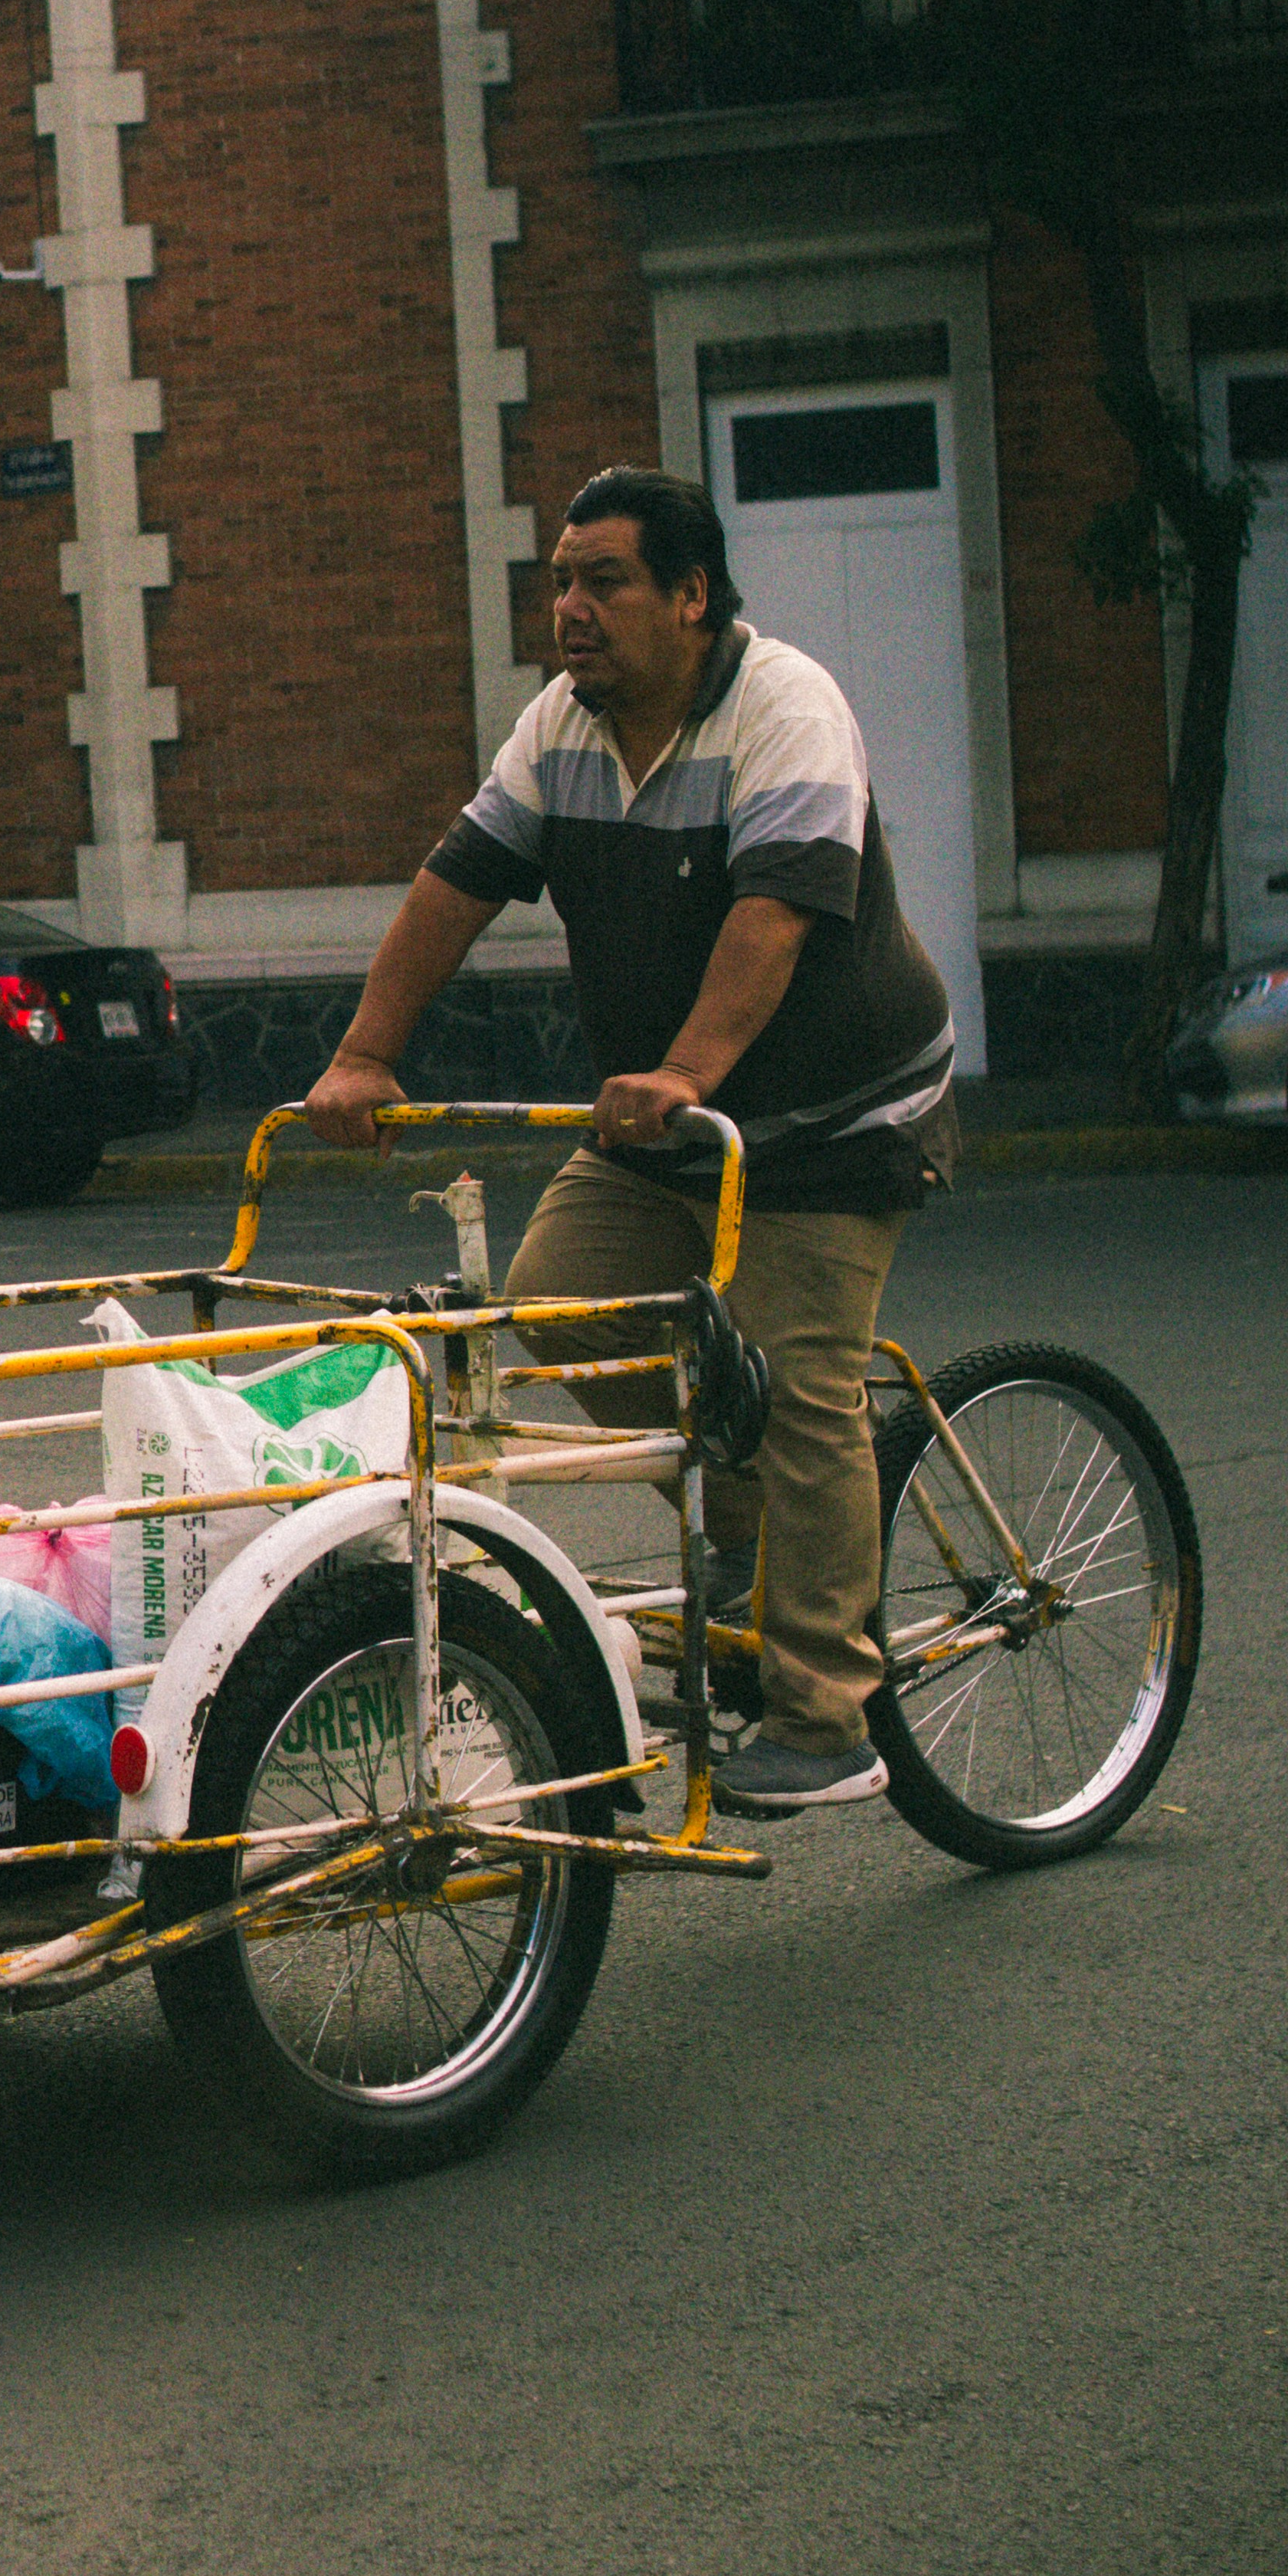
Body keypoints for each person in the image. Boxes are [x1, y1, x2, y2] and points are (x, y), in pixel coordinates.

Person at [306, 463, 959, 1813]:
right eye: (560, 580)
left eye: (603, 580)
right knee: (550, 1303)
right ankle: (744, 1494)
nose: (571, 609)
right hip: (668, 1114)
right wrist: (365, 1052)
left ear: (690, 596)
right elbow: (454, 887)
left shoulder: (786, 707)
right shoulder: (559, 729)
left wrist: (683, 1069)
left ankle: (828, 1715)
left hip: (833, 1115)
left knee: (803, 1385)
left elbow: (772, 917)